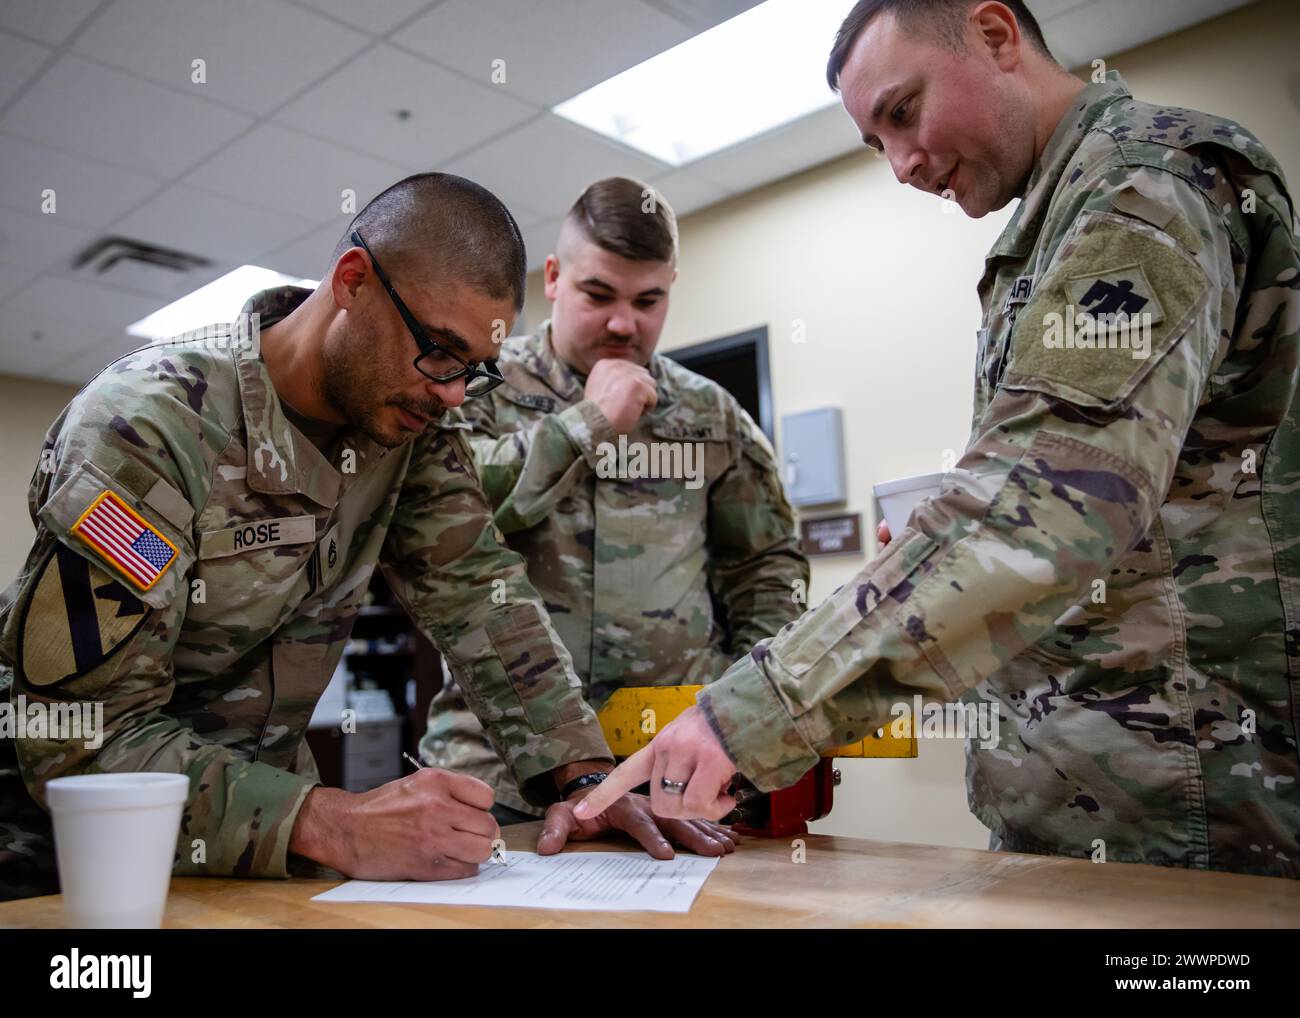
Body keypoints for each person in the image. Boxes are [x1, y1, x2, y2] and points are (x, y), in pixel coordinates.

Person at [577, 0, 1300, 878]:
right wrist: (941, 544)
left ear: (995, 35)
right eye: (877, 143)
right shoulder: (1054, 224)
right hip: (1098, 787)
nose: (903, 165)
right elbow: (1080, 494)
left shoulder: (1142, 187)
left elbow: (1045, 509)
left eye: (902, 112)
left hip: (1192, 799)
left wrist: (751, 711)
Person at [0, 173, 719, 901]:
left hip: (263, 851)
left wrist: (587, 776)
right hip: (66, 863)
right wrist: (332, 822)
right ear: (353, 282)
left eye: (473, 370)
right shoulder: (147, 433)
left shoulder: (411, 426)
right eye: (438, 350)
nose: (450, 393)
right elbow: (79, 736)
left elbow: (479, 594)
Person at [424, 178, 807, 855]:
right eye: (599, 294)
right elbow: (444, 521)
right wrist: (587, 425)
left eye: (648, 300)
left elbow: (767, 569)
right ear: (552, 277)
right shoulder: (476, 384)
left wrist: (741, 712)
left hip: (670, 770)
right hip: (503, 767)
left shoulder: (709, 414)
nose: (624, 323)